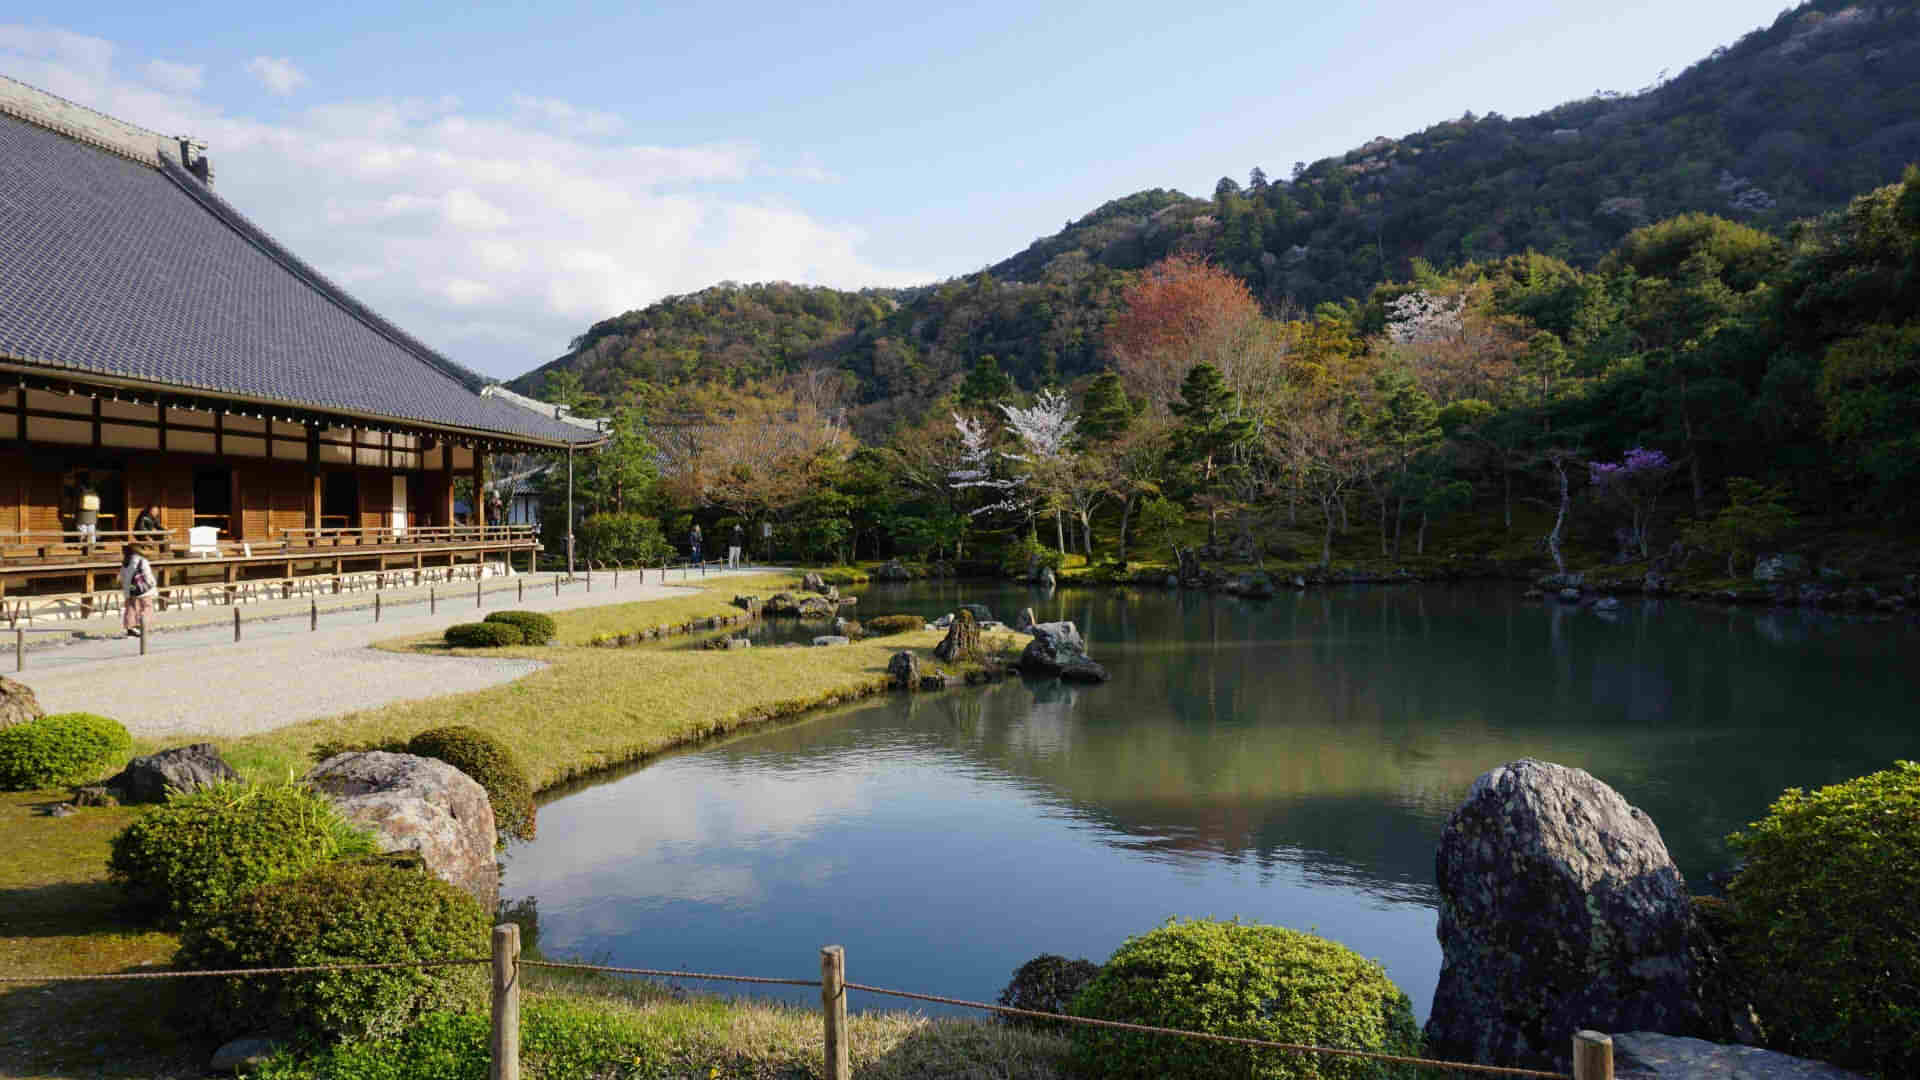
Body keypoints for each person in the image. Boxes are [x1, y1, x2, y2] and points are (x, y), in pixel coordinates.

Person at [119, 543, 157, 637]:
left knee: (131, 608)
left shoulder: (125, 562)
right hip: (142, 589)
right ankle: (141, 624)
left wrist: (126, 590)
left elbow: (122, 577)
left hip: (130, 589)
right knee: (147, 607)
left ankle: (130, 627)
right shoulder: (141, 560)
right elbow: (147, 574)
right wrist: (152, 584)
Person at [75, 480, 100, 547]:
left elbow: (76, 505)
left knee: (82, 532)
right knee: (91, 532)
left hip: (81, 517)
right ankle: (92, 547)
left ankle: (82, 546)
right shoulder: (95, 494)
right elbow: (97, 508)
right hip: (92, 517)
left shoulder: (80, 494)